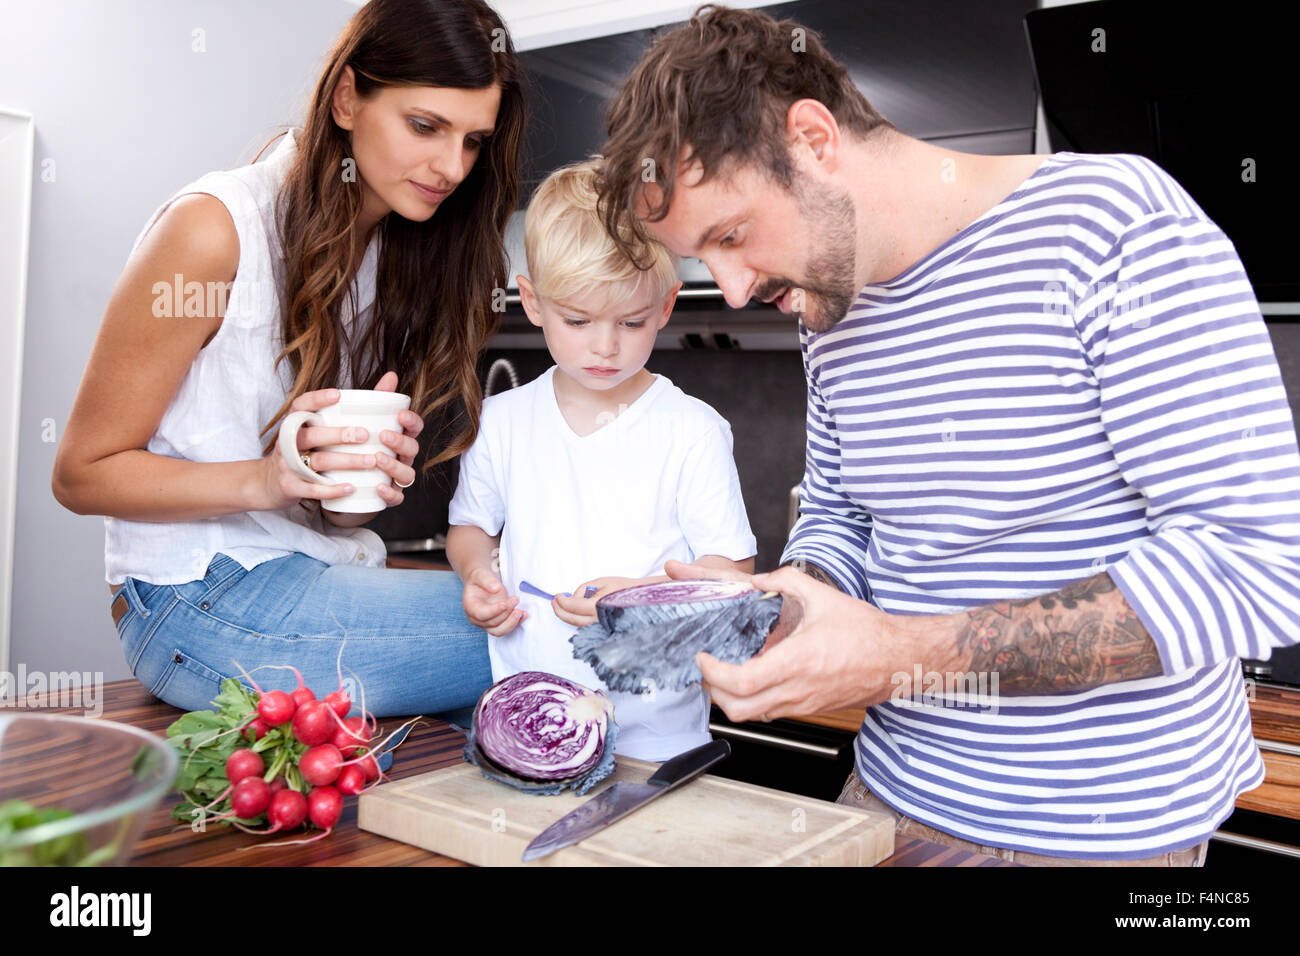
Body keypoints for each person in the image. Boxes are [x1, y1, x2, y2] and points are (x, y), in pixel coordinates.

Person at [593, 4, 1300, 864]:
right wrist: (784, 601)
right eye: (707, 260)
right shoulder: (830, 309)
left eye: (731, 235)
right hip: (888, 798)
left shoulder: (1112, 226)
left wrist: (893, 656)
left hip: (1096, 842)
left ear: (813, 139)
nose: (735, 290)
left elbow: (1251, 563)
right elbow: (842, 515)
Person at [50, 0, 526, 719]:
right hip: (190, 603)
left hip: (299, 571)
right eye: (425, 126)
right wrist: (268, 479)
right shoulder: (213, 231)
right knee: (542, 627)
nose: (451, 167)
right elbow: (81, 473)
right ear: (346, 99)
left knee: (512, 668)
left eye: (472, 141)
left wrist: (341, 482)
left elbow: (312, 513)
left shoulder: (384, 256)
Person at [445, 158, 758, 760]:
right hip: (526, 717)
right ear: (533, 302)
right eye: (579, 320)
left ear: (666, 308)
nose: (605, 346)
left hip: (659, 734)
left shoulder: (692, 430)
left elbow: (733, 573)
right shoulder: (503, 421)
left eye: (632, 321)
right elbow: (470, 531)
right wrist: (477, 576)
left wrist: (640, 600)